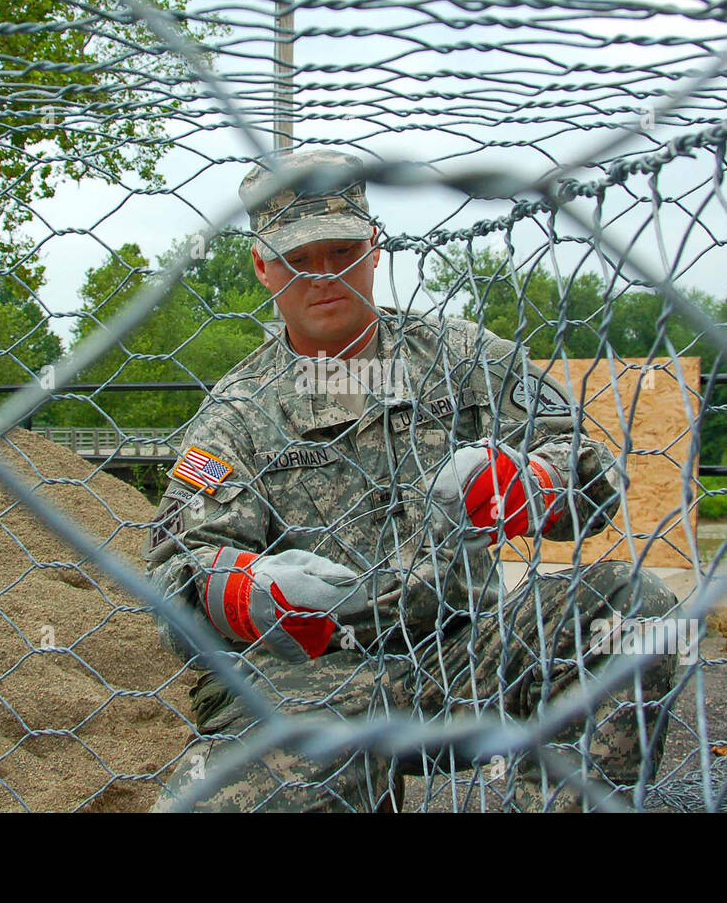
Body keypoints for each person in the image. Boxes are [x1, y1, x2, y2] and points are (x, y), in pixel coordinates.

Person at [143, 148, 679, 812]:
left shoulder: (459, 357)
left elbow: (594, 469)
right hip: (305, 679)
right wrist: (244, 591)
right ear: (261, 266)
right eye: (297, 260)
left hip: (456, 662)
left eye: (340, 252)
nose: (323, 277)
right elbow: (173, 572)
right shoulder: (237, 412)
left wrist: (531, 482)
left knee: (632, 607)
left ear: (375, 248)